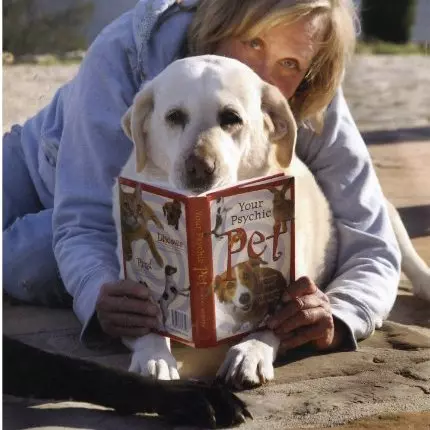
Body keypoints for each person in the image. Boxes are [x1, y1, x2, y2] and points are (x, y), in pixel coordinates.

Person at [3, 0, 400, 360]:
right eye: (253, 43)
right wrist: (97, 292)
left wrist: (338, 316)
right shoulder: (126, 50)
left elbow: (374, 246)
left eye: (290, 63)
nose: (258, 75)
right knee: (36, 261)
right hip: (38, 163)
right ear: (218, 24)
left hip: (149, 213)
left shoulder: (309, 96)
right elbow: (86, 220)